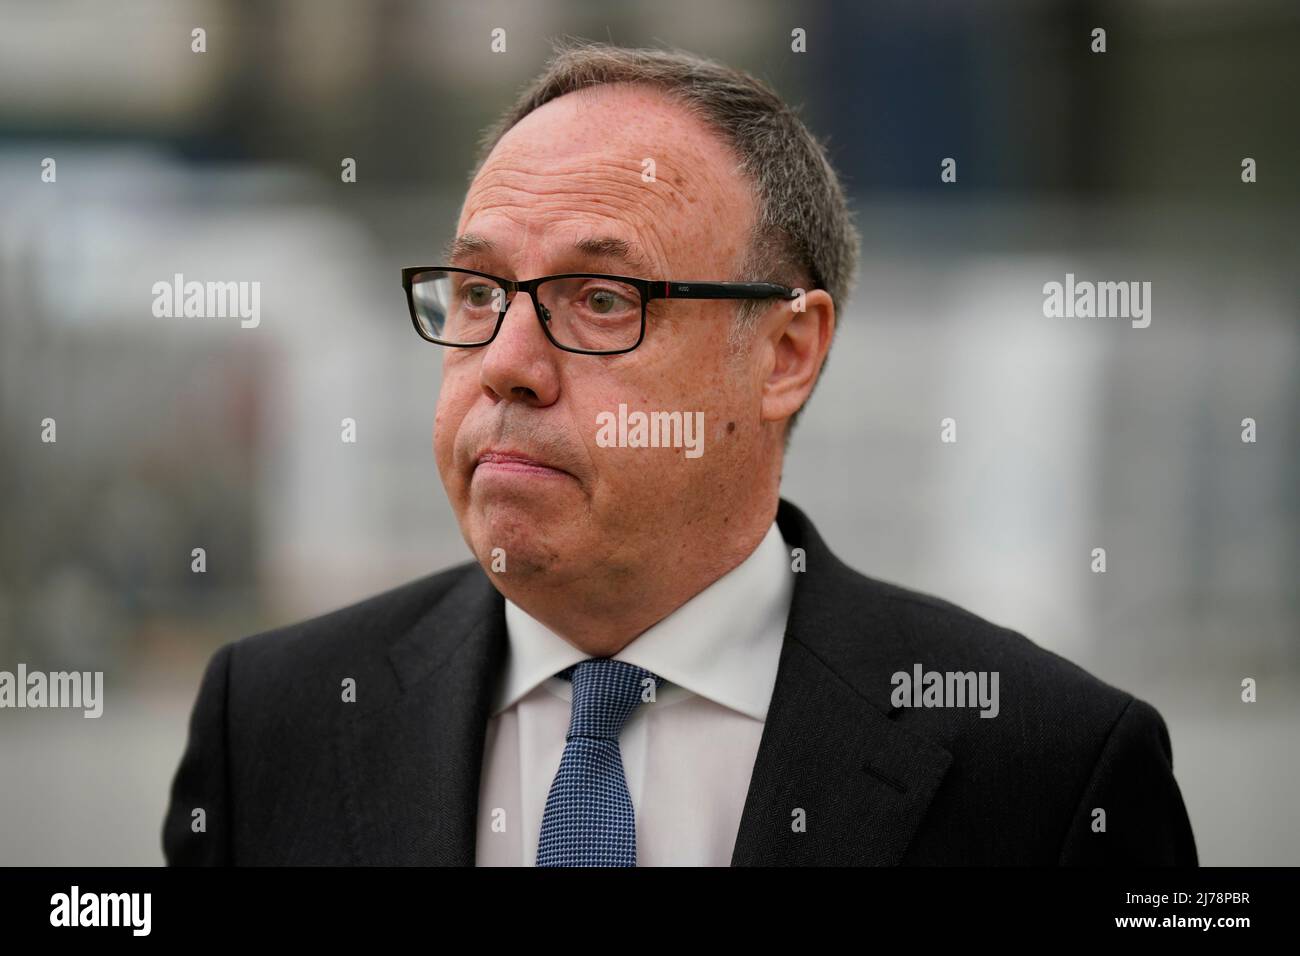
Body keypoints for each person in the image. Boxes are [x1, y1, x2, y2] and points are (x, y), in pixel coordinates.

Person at [163, 41, 1197, 866]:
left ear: (786, 350)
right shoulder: (270, 721)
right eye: (478, 293)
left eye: (602, 299)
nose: (505, 366)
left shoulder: (1048, 768)